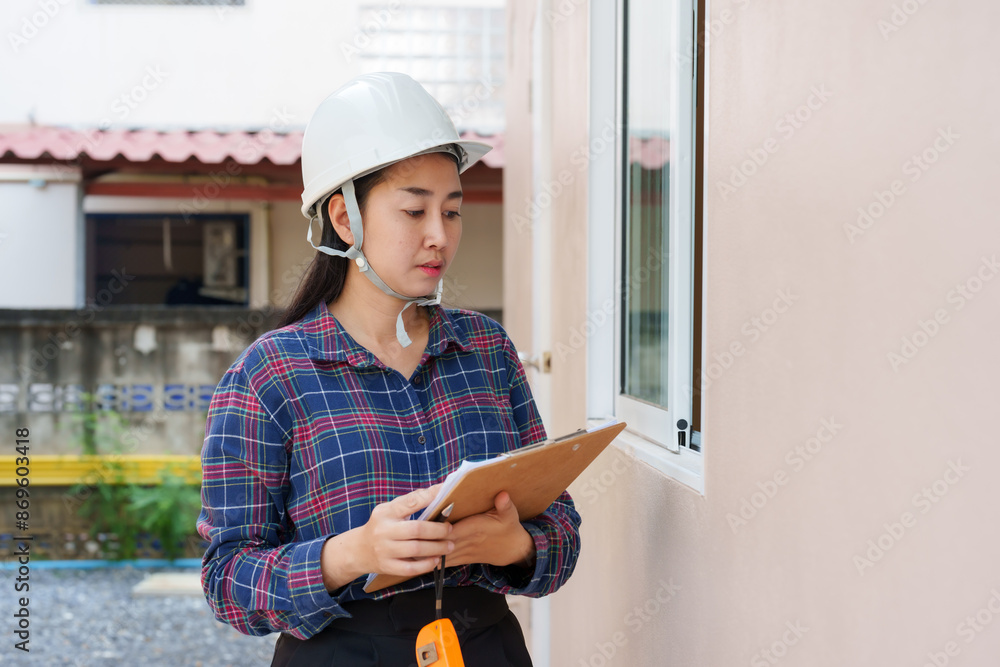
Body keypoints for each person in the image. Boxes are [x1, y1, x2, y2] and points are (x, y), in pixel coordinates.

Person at [197, 72, 582, 666]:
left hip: (485, 648)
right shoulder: (270, 375)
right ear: (345, 220)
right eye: (413, 211)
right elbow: (227, 581)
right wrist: (353, 553)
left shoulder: (487, 351)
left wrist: (517, 546)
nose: (439, 237)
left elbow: (560, 528)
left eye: (452, 212)